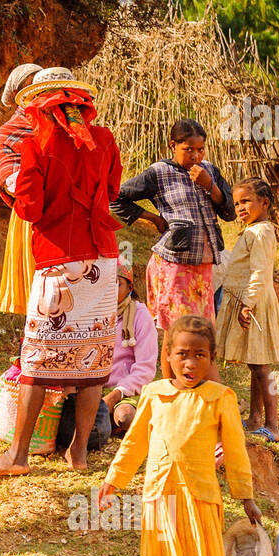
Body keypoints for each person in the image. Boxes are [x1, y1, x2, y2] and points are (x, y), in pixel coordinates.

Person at [0, 67, 123, 475]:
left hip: (57, 258)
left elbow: (28, 208)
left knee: (37, 361)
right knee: (94, 359)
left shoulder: (36, 144)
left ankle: (18, 455)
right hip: (104, 260)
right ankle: (78, 453)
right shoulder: (105, 139)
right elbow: (111, 193)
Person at [98, 314, 261, 556]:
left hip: (198, 501)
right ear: (167, 356)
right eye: (183, 354)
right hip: (158, 498)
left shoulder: (220, 398)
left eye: (201, 355)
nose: (191, 363)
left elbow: (236, 453)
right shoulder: (154, 394)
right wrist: (113, 480)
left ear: (212, 359)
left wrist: (246, 497)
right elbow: (135, 443)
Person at [112, 118, 235, 374]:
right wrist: (153, 219)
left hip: (203, 266)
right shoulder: (159, 172)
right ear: (173, 146)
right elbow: (116, 198)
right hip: (172, 266)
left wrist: (209, 186)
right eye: (188, 149)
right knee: (175, 330)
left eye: (200, 149)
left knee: (202, 330)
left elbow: (230, 212)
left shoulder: (210, 171)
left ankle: (197, 387)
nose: (195, 155)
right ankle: (172, 390)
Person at [216, 179, 279, 441]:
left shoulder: (261, 232)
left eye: (246, 201)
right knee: (255, 363)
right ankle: (255, 418)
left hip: (254, 303)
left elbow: (259, 272)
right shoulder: (253, 230)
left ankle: (273, 425)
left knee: (261, 367)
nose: (240, 207)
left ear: (264, 203)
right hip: (250, 301)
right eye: (236, 203)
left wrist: (247, 305)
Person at [0, 62, 44, 315]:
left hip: (69, 213)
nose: (41, 90)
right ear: (19, 95)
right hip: (33, 217)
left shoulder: (64, 125)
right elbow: (11, 179)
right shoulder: (10, 131)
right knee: (41, 296)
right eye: (34, 85)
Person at [104, 262, 157, 436]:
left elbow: (145, 368)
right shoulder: (95, 314)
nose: (110, 289)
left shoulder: (141, 316)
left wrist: (116, 394)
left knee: (125, 416)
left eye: (117, 283)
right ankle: (105, 423)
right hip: (94, 389)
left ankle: (113, 422)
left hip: (126, 391)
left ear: (130, 287)